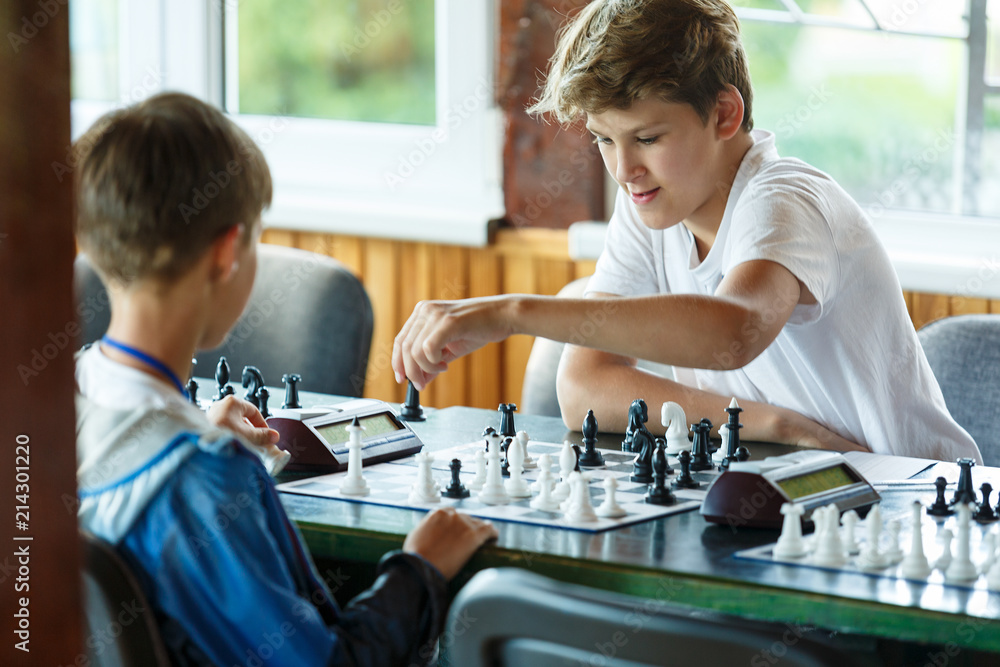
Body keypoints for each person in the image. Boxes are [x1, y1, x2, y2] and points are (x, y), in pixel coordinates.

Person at [392, 0, 981, 463]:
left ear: (724, 114)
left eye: (647, 138)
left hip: (912, 503)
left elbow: (734, 332)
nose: (624, 170)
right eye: (604, 139)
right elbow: (583, 387)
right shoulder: (652, 206)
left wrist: (512, 313)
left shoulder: (784, 198)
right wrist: (776, 424)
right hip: (796, 481)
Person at [73, 92, 497, 666]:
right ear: (227, 253)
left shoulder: (54, 405)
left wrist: (187, 428)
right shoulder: (207, 480)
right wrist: (419, 568)